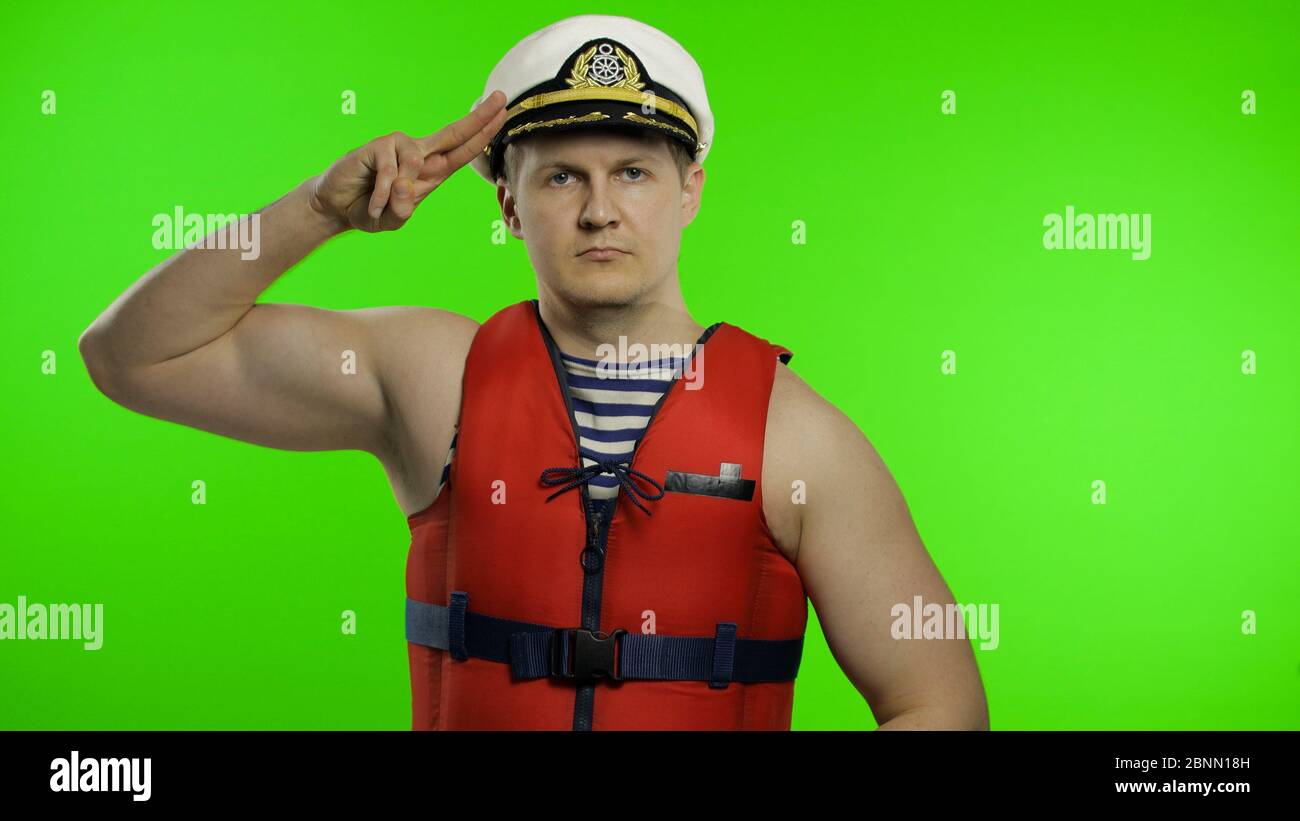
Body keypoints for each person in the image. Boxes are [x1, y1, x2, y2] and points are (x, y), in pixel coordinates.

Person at [79, 14, 988, 731]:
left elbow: (943, 703)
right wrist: (318, 212)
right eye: (560, 178)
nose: (599, 212)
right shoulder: (430, 375)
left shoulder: (798, 436)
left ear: (691, 191)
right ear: (509, 203)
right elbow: (131, 355)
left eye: (632, 171)